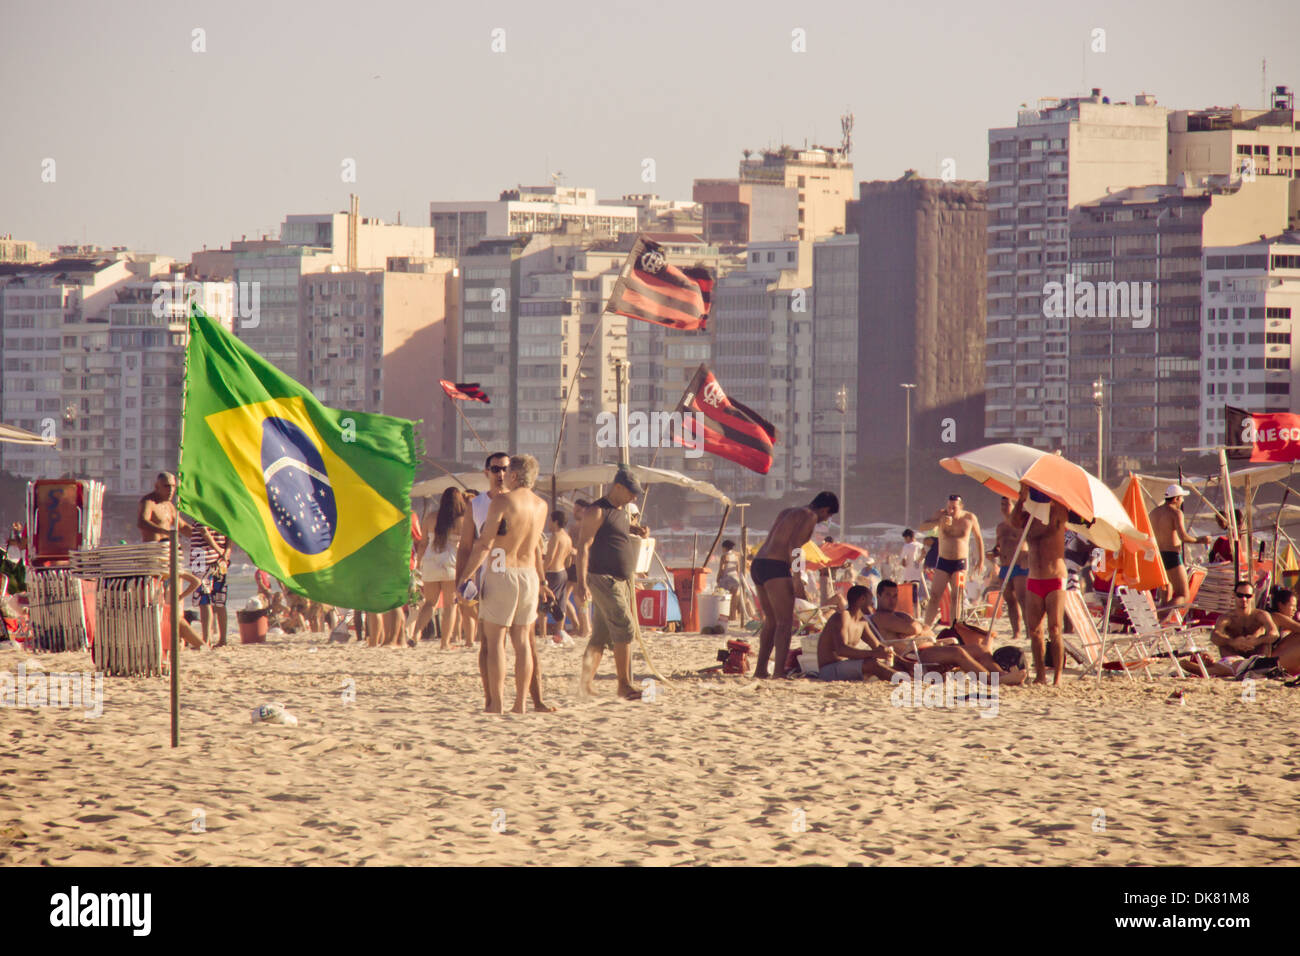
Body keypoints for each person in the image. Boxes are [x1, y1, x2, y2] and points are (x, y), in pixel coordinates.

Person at [457, 452, 554, 712]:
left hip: (502, 572)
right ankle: (521, 704)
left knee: (496, 641)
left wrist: (465, 577)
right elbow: (535, 547)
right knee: (523, 642)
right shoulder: (541, 505)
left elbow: (485, 544)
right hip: (529, 576)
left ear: (513, 475)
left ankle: (496, 703)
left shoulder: (502, 502)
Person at [574, 468, 651, 700]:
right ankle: (624, 685)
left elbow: (613, 532)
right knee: (625, 627)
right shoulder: (596, 510)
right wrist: (581, 583)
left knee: (600, 635)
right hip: (602, 578)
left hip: (621, 580)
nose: (634, 498)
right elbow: (583, 547)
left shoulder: (621, 511)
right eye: (632, 492)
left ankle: (584, 686)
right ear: (617, 487)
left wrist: (635, 529)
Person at [749, 491, 840, 679]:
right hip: (776, 566)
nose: (825, 520)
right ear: (824, 509)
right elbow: (795, 546)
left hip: (759, 564)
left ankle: (760, 670)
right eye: (829, 515)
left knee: (771, 622)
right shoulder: (810, 516)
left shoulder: (787, 511)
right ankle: (778, 672)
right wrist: (797, 577)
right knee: (785, 623)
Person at [868, 579, 1000, 676]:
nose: (892, 600)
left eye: (895, 595)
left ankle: (1001, 674)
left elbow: (927, 629)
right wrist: (917, 630)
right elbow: (915, 629)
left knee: (980, 649)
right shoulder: (881, 617)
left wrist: (916, 629)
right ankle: (991, 679)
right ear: (878, 596)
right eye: (887, 595)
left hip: (930, 648)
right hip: (916, 655)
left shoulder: (899, 615)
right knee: (957, 653)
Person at [1014, 491, 1069, 685]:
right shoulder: (1028, 516)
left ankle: (1058, 676)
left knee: (1054, 629)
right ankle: (1040, 675)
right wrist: (1021, 498)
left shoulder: (1057, 510)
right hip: (1034, 578)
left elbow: (1061, 514)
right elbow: (1014, 522)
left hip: (1055, 577)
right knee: (1034, 631)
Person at [814, 585, 910, 681]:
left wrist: (903, 661)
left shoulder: (862, 622)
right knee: (872, 664)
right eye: (871, 599)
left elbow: (877, 646)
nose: (873, 604)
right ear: (862, 599)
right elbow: (841, 650)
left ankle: (908, 679)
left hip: (846, 666)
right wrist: (873, 653)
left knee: (892, 664)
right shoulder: (842, 616)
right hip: (829, 670)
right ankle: (907, 682)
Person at [411, 488, 466, 649]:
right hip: (451, 563)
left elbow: (422, 544)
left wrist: (420, 564)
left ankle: (415, 634)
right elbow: (466, 546)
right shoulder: (462, 520)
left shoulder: (430, 517)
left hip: (430, 562)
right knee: (450, 605)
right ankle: (445, 642)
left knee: (429, 603)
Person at [918, 495, 983, 628]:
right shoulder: (941, 515)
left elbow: (978, 538)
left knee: (956, 597)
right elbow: (922, 527)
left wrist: (981, 560)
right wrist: (939, 522)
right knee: (935, 596)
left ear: (961, 507)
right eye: (949, 507)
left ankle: (955, 628)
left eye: (954, 508)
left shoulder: (969, 518)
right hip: (943, 561)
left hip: (960, 563)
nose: (951, 511)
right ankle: (926, 628)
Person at [1199, 581, 1281, 677]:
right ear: (1234, 595)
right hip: (1233, 658)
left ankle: (1224, 669)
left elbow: (1275, 633)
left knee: (1266, 640)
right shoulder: (1227, 617)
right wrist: (1232, 642)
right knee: (1223, 640)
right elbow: (1214, 635)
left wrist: (1257, 641)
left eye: (1248, 596)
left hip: (1256, 657)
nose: (1244, 599)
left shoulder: (1260, 615)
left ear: (1253, 596)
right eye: (1240, 595)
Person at [1149, 483, 1211, 607]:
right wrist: (1201, 540)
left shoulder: (1153, 513)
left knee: (1166, 597)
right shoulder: (1176, 513)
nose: (1182, 501)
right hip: (1172, 555)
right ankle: (1160, 620)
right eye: (1182, 498)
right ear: (1176, 498)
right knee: (1183, 595)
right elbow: (1183, 537)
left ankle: (1160, 622)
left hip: (1158, 556)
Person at [990, 497, 1029, 643]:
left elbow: (1031, 541)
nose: (1004, 507)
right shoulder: (1000, 527)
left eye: (1007, 504)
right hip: (1005, 565)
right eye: (1002, 504)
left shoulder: (1021, 525)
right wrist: (994, 552)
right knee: (1009, 601)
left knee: (1022, 599)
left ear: (1014, 506)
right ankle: (1016, 633)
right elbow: (998, 545)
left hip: (1019, 564)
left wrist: (1028, 557)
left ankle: (1029, 632)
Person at [189, 522, 232, 647]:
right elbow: (230, 536)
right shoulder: (221, 513)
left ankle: (206, 639)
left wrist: (219, 550)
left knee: (204, 600)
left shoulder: (201, 510)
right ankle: (223, 639)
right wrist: (225, 554)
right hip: (221, 560)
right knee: (220, 600)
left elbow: (204, 532)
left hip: (202, 558)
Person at [542, 510, 574, 644]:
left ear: (555, 522)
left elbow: (549, 558)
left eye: (550, 520)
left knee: (543, 606)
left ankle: (542, 635)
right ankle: (559, 634)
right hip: (562, 572)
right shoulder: (567, 537)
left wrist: (541, 573)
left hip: (552, 573)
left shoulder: (555, 537)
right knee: (561, 605)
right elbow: (569, 560)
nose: (548, 523)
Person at [137, 472, 190, 542]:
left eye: (173, 486)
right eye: (166, 486)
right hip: (153, 548)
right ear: (157, 486)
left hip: (167, 548)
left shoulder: (169, 506)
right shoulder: (148, 502)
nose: (171, 490)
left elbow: (182, 526)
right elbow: (142, 522)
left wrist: (201, 535)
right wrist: (165, 532)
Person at [899, 529, 928, 607]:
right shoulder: (921, 545)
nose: (905, 541)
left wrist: (904, 563)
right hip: (918, 575)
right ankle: (917, 615)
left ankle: (910, 615)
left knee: (907, 599)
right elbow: (924, 554)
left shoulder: (907, 546)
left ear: (908, 537)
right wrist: (918, 562)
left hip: (908, 576)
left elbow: (903, 562)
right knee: (916, 598)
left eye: (905, 539)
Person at [716, 540, 743, 624]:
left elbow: (722, 569)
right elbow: (738, 569)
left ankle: (725, 619)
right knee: (734, 602)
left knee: (724, 601)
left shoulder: (724, 556)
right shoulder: (736, 555)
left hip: (726, 580)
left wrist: (718, 579)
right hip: (735, 579)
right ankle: (733, 618)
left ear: (724, 547)